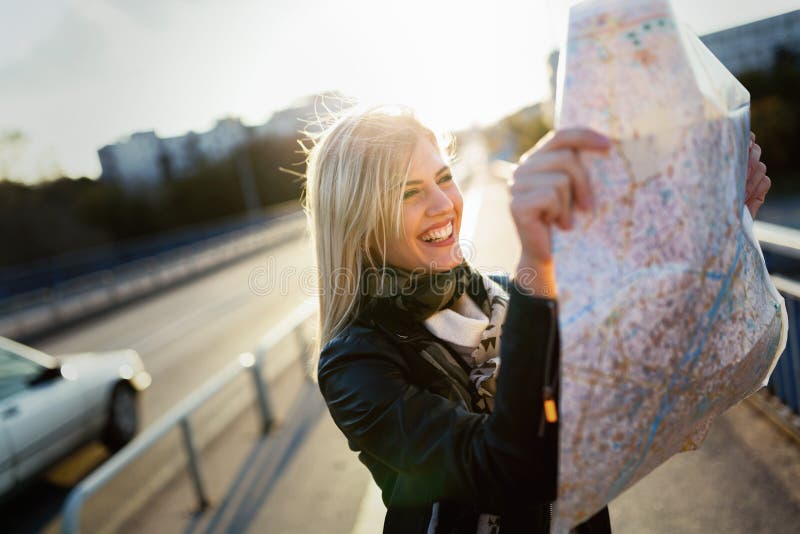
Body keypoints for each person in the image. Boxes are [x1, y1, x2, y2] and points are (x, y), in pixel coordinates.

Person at [302, 105, 770, 534]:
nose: (443, 205)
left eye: (444, 177)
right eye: (409, 192)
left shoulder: (507, 293)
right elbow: (506, 468)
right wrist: (537, 261)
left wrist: (723, 241)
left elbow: (635, 375)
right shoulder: (354, 365)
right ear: (360, 224)